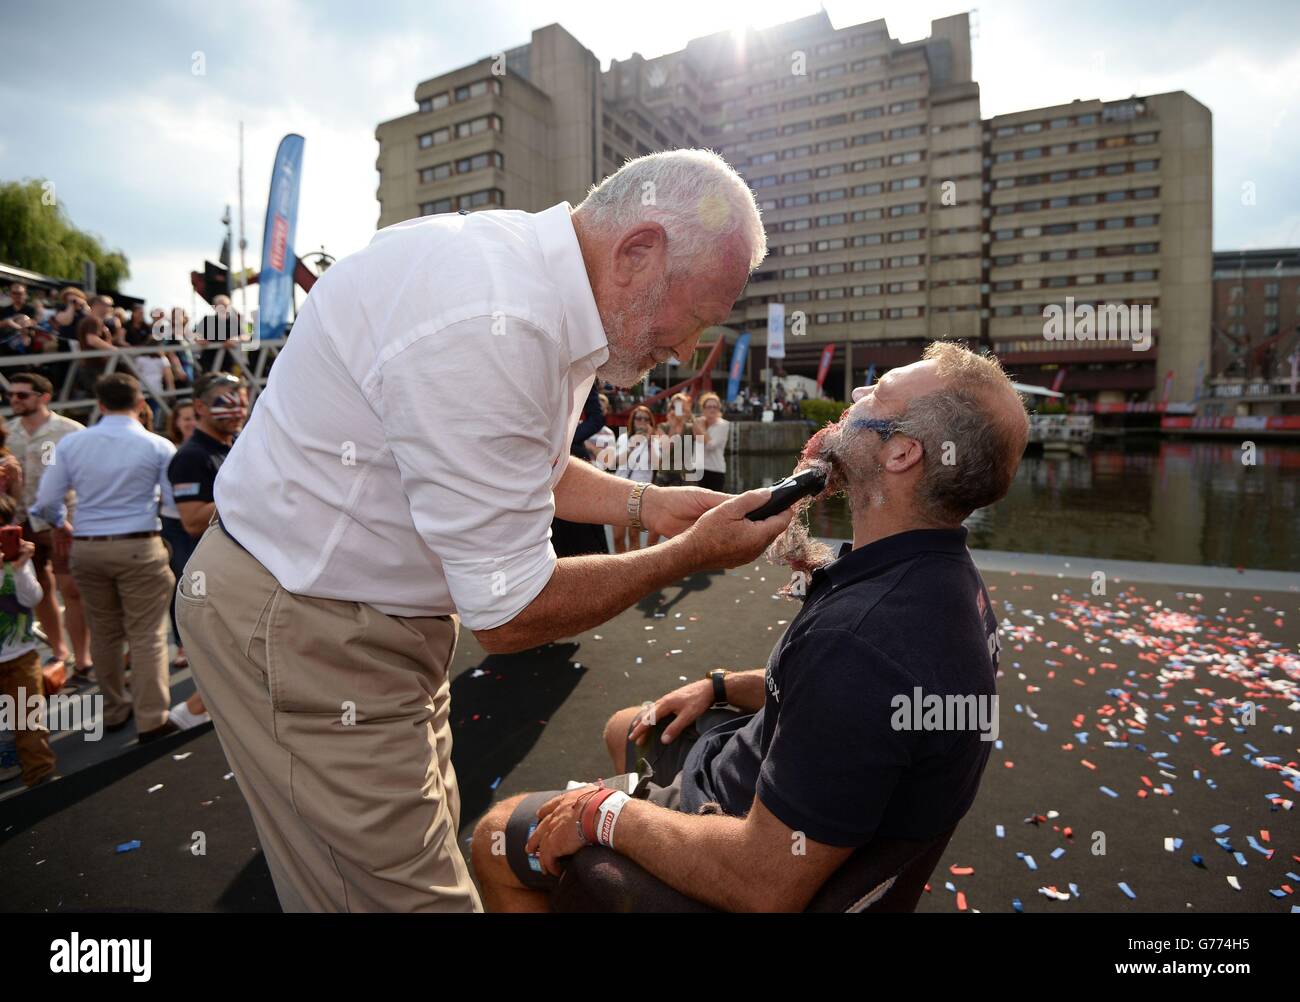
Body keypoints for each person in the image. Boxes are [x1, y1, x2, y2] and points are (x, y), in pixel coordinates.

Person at [178, 147, 791, 913]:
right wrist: (687, 554)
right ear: (639, 251)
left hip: (359, 617)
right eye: (695, 317)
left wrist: (648, 505)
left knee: (410, 860)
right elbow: (508, 611)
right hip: (309, 625)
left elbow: (523, 464)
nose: (686, 350)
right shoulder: (490, 324)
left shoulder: (538, 285)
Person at [473, 340, 1031, 912]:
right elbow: (836, 703)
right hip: (753, 773)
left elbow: (764, 882)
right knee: (626, 727)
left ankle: (606, 877)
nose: (855, 396)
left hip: (741, 838)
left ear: (902, 455)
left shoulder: (860, 643)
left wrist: (603, 814)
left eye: (877, 392)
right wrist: (718, 686)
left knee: (494, 839)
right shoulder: (939, 579)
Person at [32, 372, 179, 743]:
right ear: (140, 403)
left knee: (105, 631)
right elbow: (174, 504)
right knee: (147, 634)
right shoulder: (158, 445)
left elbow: (47, 502)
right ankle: (152, 718)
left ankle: (114, 708)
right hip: (140, 542)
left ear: (100, 404)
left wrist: (62, 524)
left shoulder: (73, 444)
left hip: (88, 544)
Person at [165, 373, 245, 729]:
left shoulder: (237, 443)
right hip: (211, 573)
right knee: (227, 656)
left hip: (241, 566)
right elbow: (193, 519)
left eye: (241, 399)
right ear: (199, 406)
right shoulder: (191, 456)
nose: (237, 408)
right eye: (225, 401)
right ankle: (189, 715)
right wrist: (254, 497)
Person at [6, 374, 91, 683]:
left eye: (22, 395)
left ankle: (83, 657)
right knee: (38, 589)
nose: (14, 400)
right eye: (12, 395)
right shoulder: (8, 433)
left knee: (72, 589)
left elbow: (87, 477)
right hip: (20, 522)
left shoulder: (70, 430)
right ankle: (59, 651)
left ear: (44, 397)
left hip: (61, 521)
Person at [0, 494, 54, 787]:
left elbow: (32, 598)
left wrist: (19, 567)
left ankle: (41, 779)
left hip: (21, 654)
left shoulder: (15, 557)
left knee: (30, 723)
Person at [160, 400, 197, 669]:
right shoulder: (169, 452)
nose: (189, 422)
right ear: (175, 422)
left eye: (194, 416)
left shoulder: (215, 449)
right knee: (181, 584)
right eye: (184, 417)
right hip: (175, 526)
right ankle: (183, 644)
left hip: (205, 524)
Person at [608, 405, 659, 553]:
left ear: (650, 422)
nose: (642, 421)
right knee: (617, 536)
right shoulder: (624, 438)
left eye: (645, 419)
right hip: (619, 487)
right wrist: (631, 447)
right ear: (633, 420)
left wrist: (649, 440)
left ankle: (632, 568)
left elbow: (656, 463)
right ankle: (620, 567)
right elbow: (615, 462)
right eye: (638, 418)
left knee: (634, 534)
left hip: (639, 491)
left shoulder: (654, 441)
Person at [696, 391, 729, 492]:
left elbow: (711, 446)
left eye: (715, 407)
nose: (712, 409)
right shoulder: (699, 423)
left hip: (715, 470)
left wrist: (701, 429)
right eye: (709, 407)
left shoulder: (723, 425)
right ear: (703, 409)